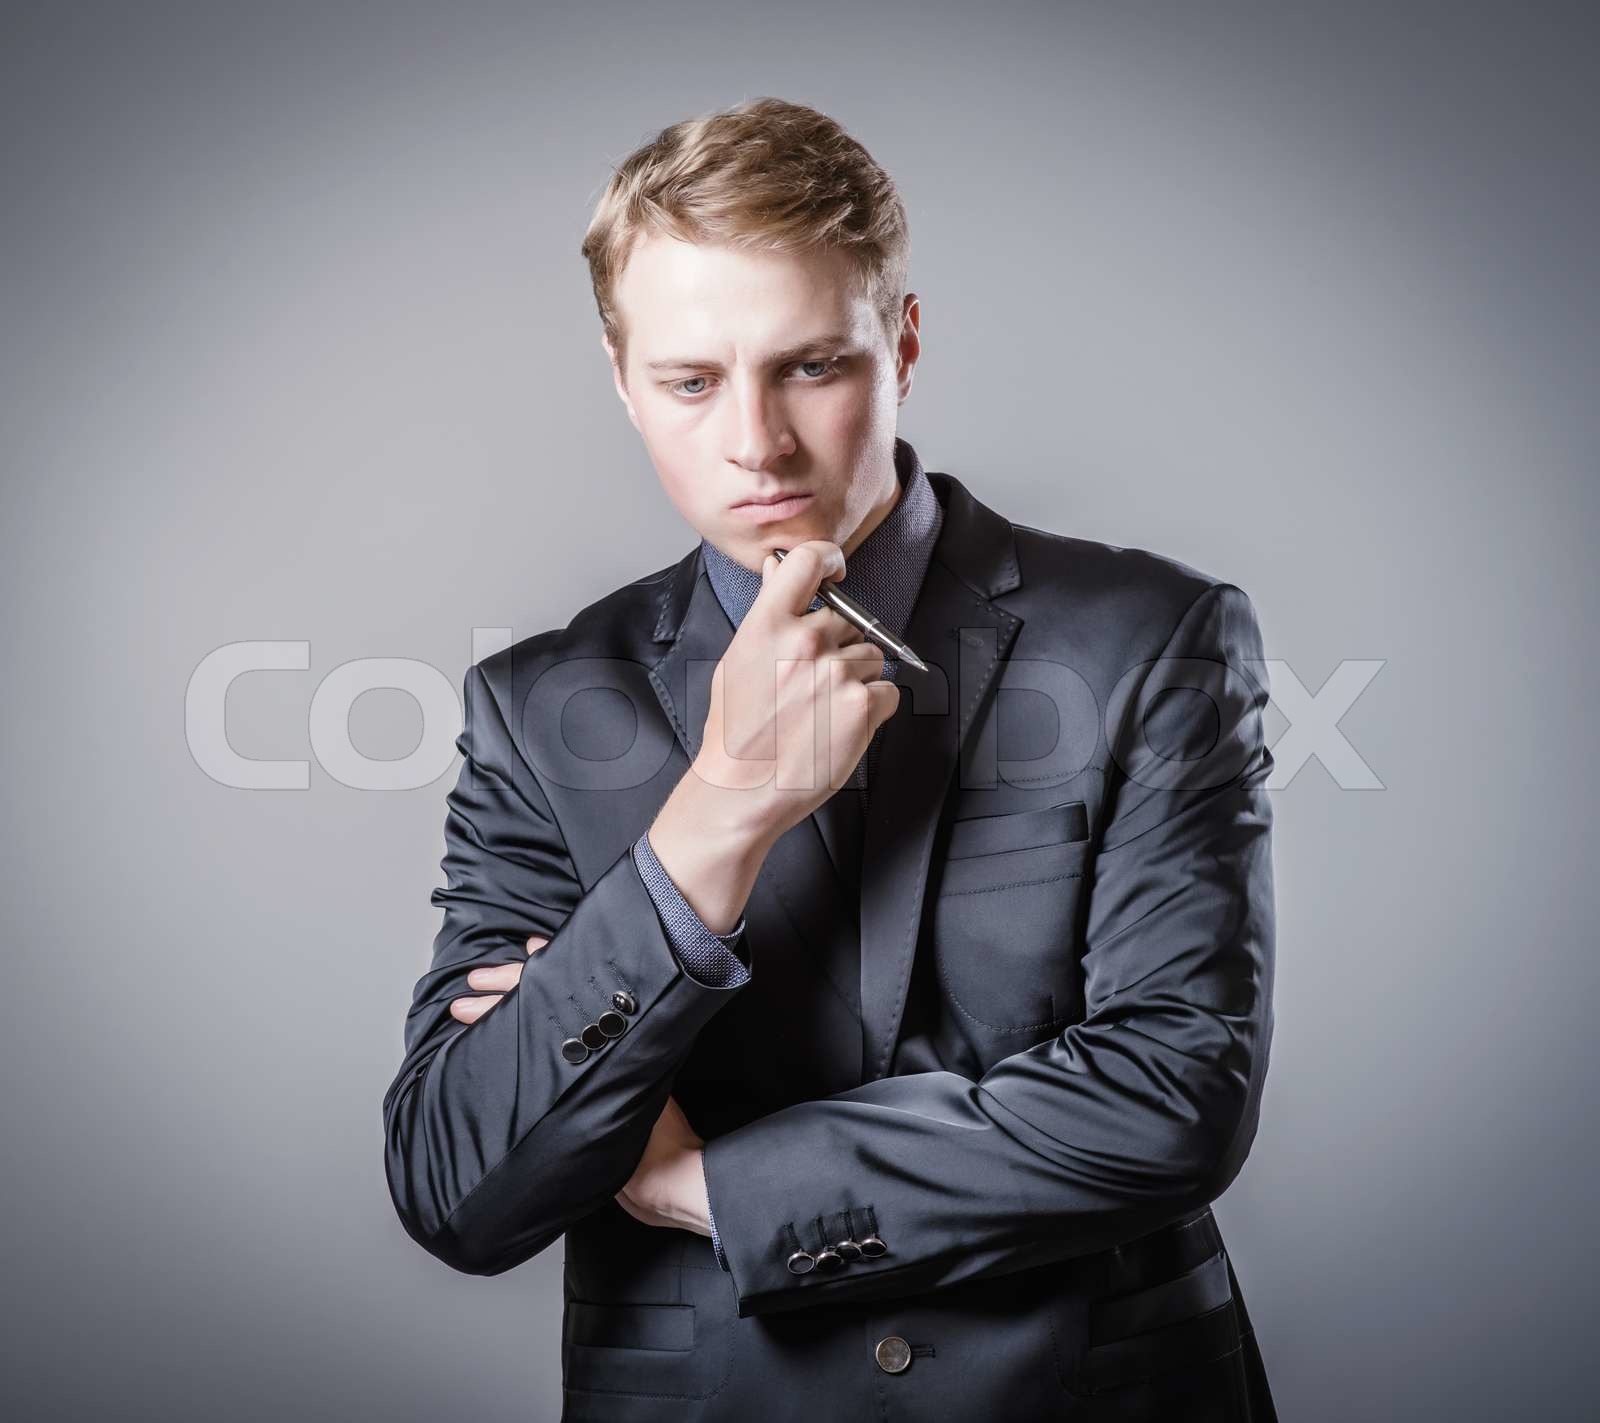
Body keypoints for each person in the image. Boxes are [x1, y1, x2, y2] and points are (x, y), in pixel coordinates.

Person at [381, 96, 1278, 1421]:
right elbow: (461, 1181)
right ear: (623, 383)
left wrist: (711, 1188)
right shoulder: (534, 708)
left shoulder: (1152, 641)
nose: (757, 443)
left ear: (901, 344)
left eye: (809, 366)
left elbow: (1171, 1098)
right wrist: (717, 821)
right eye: (692, 381)